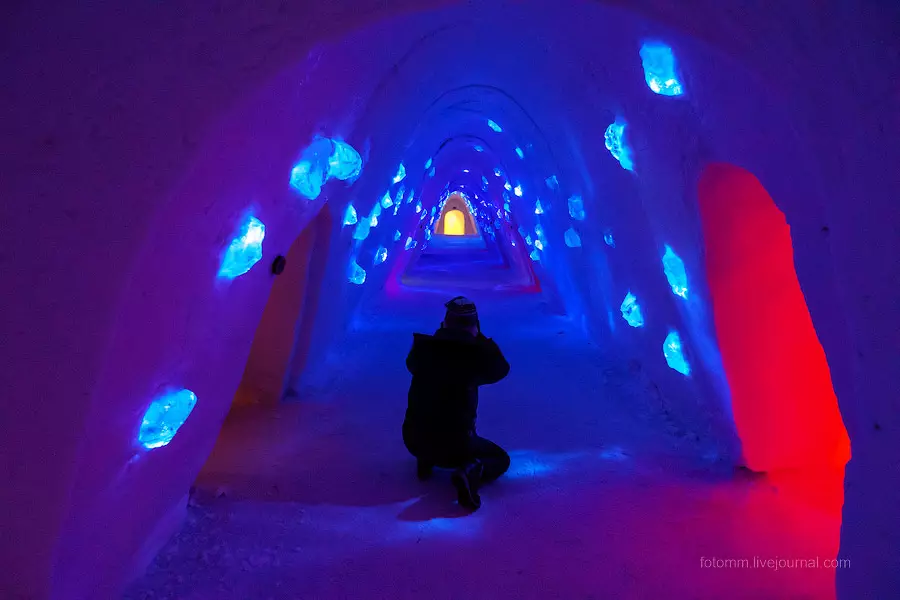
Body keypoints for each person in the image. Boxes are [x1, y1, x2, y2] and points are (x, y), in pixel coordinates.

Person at [402, 296, 511, 510]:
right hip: (457, 446)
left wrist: (443, 335)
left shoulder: (422, 350)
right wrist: (478, 339)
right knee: (500, 459)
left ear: (445, 322)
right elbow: (501, 369)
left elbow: (412, 364)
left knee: (427, 415)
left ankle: (425, 461)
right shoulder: (475, 357)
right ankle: (470, 470)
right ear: (474, 327)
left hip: (412, 440)